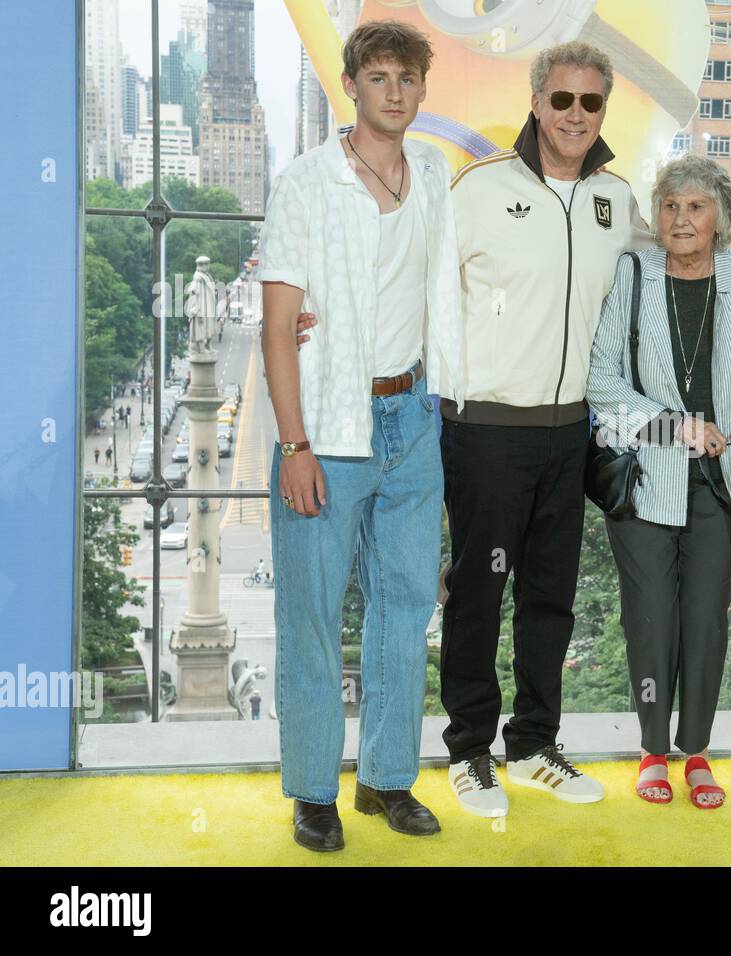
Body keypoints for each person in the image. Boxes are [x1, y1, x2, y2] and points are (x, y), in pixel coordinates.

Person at [426, 40, 651, 820]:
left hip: (570, 434)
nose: (576, 115)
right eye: (563, 100)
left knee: (551, 597)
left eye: (592, 102)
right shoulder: (477, 190)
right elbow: (424, 293)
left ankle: (533, 745)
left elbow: (668, 274)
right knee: (479, 594)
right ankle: (468, 752)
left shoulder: (617, 200)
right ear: (535, 102)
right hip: (485, 430)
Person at [256, 20, 461, 852]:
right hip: (330, 427)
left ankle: (385, 779)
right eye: (379, 77)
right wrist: (295, 445)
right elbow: (276, 328)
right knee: (309, 616)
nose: (396, 92)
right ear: (351, 85)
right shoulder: (305, 182)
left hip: (412, 418)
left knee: (406, 608)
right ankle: (312, 792)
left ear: (421, 87)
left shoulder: (437, 173)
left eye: (408, 78)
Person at [587, 155, 731, 809]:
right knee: (650, 620)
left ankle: (695, 752)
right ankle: (651, 751)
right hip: (646, 479)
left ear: (721, 217)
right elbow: (602, 381)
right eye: (670, 206)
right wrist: (676, 428)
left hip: (722, 485)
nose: (681, 218)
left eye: (696, 206)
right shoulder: (632, 274)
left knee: (704, 623)